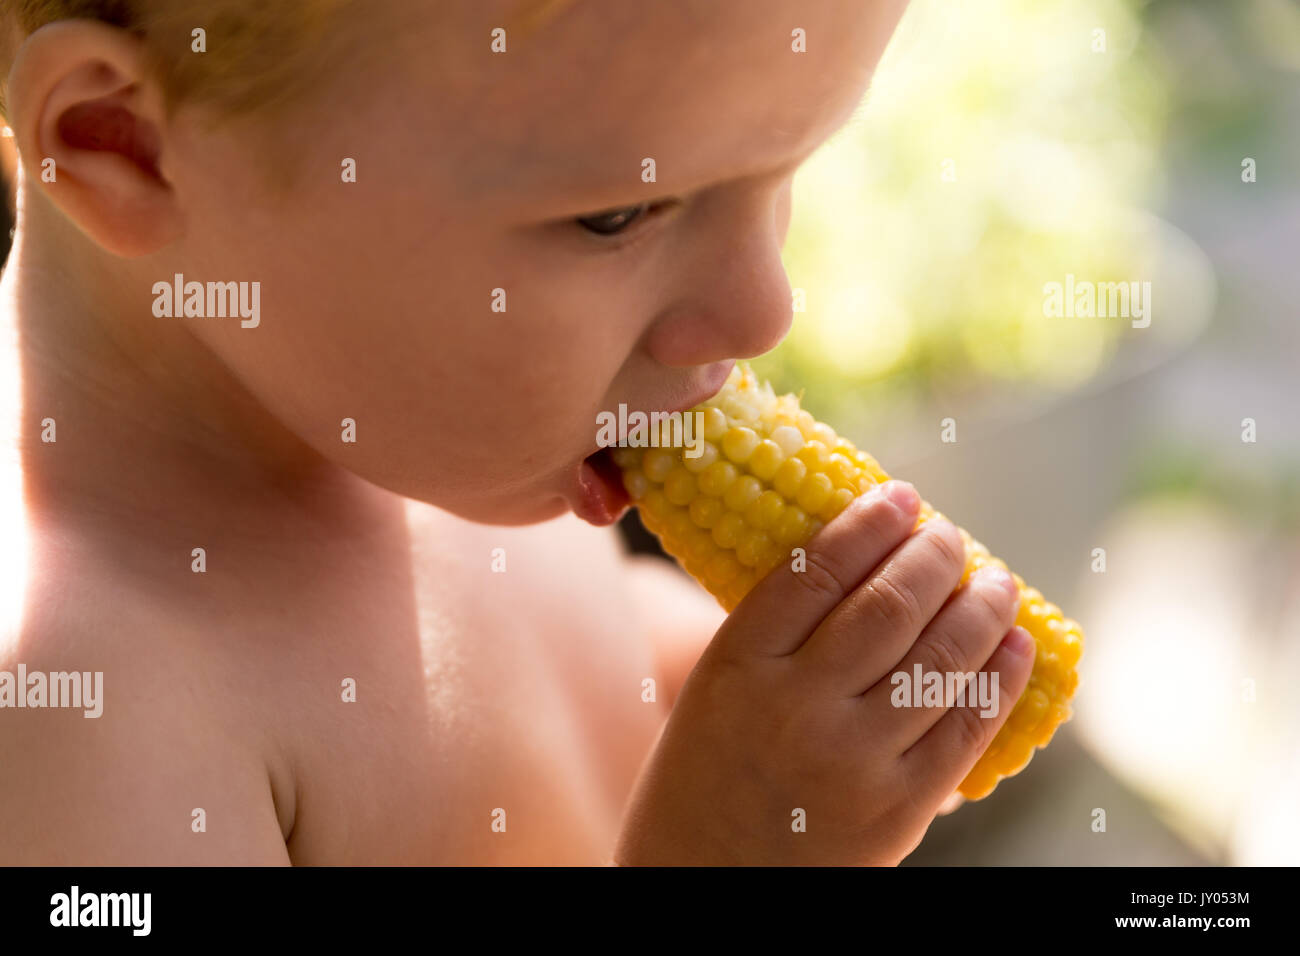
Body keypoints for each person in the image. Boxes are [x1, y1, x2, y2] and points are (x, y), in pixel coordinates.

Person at [0, 0, 1031, 865]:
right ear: (123, 146)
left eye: (786, 168)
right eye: (619, 215)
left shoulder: (454, 432)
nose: (766, 309)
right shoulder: (82, 719)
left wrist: (798, 707)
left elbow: (580, 687)